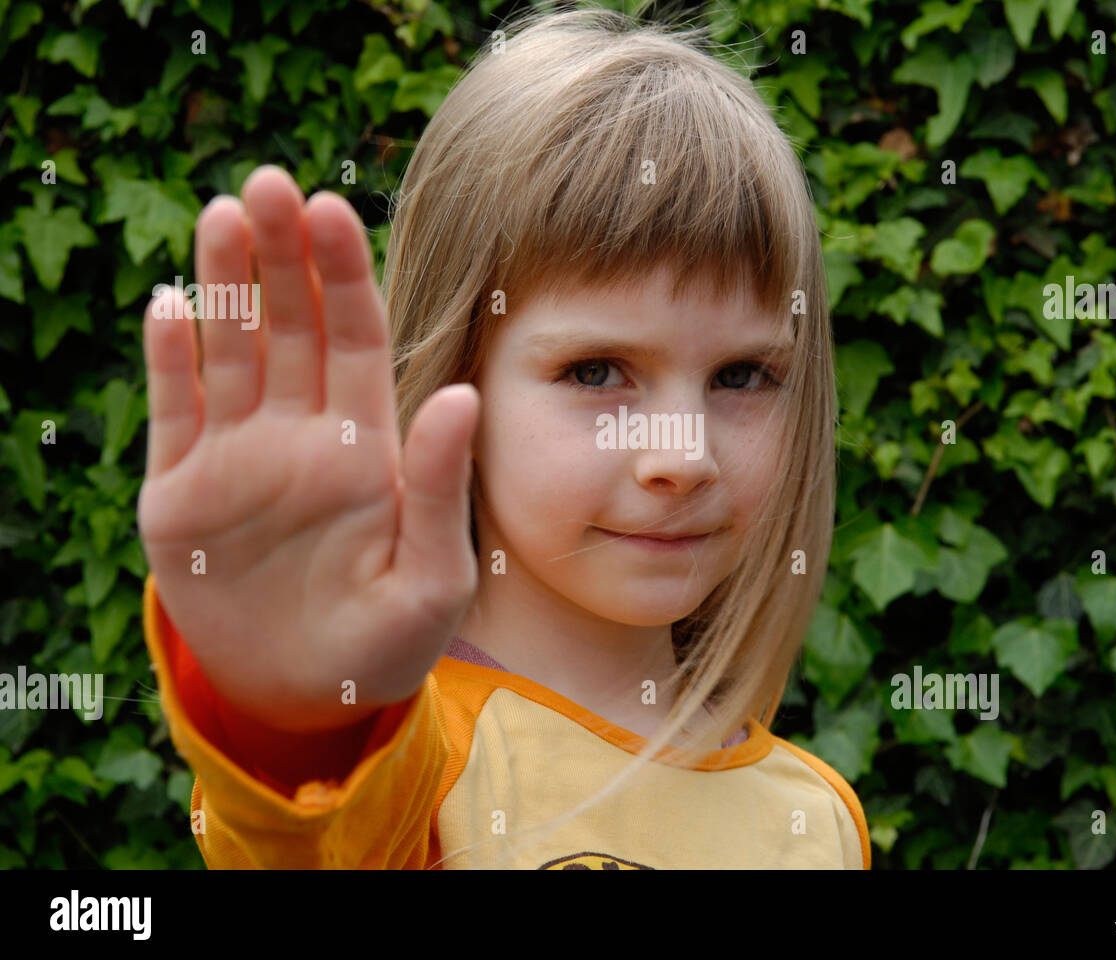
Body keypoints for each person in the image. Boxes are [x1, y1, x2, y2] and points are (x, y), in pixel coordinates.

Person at [137, 3, 869, 869]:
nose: (684, 456)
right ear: (457, 375)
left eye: (742, 376)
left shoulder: (817, 817)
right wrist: (297, 721)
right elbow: (304, 834)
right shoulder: (397, 762)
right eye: (596, 371)